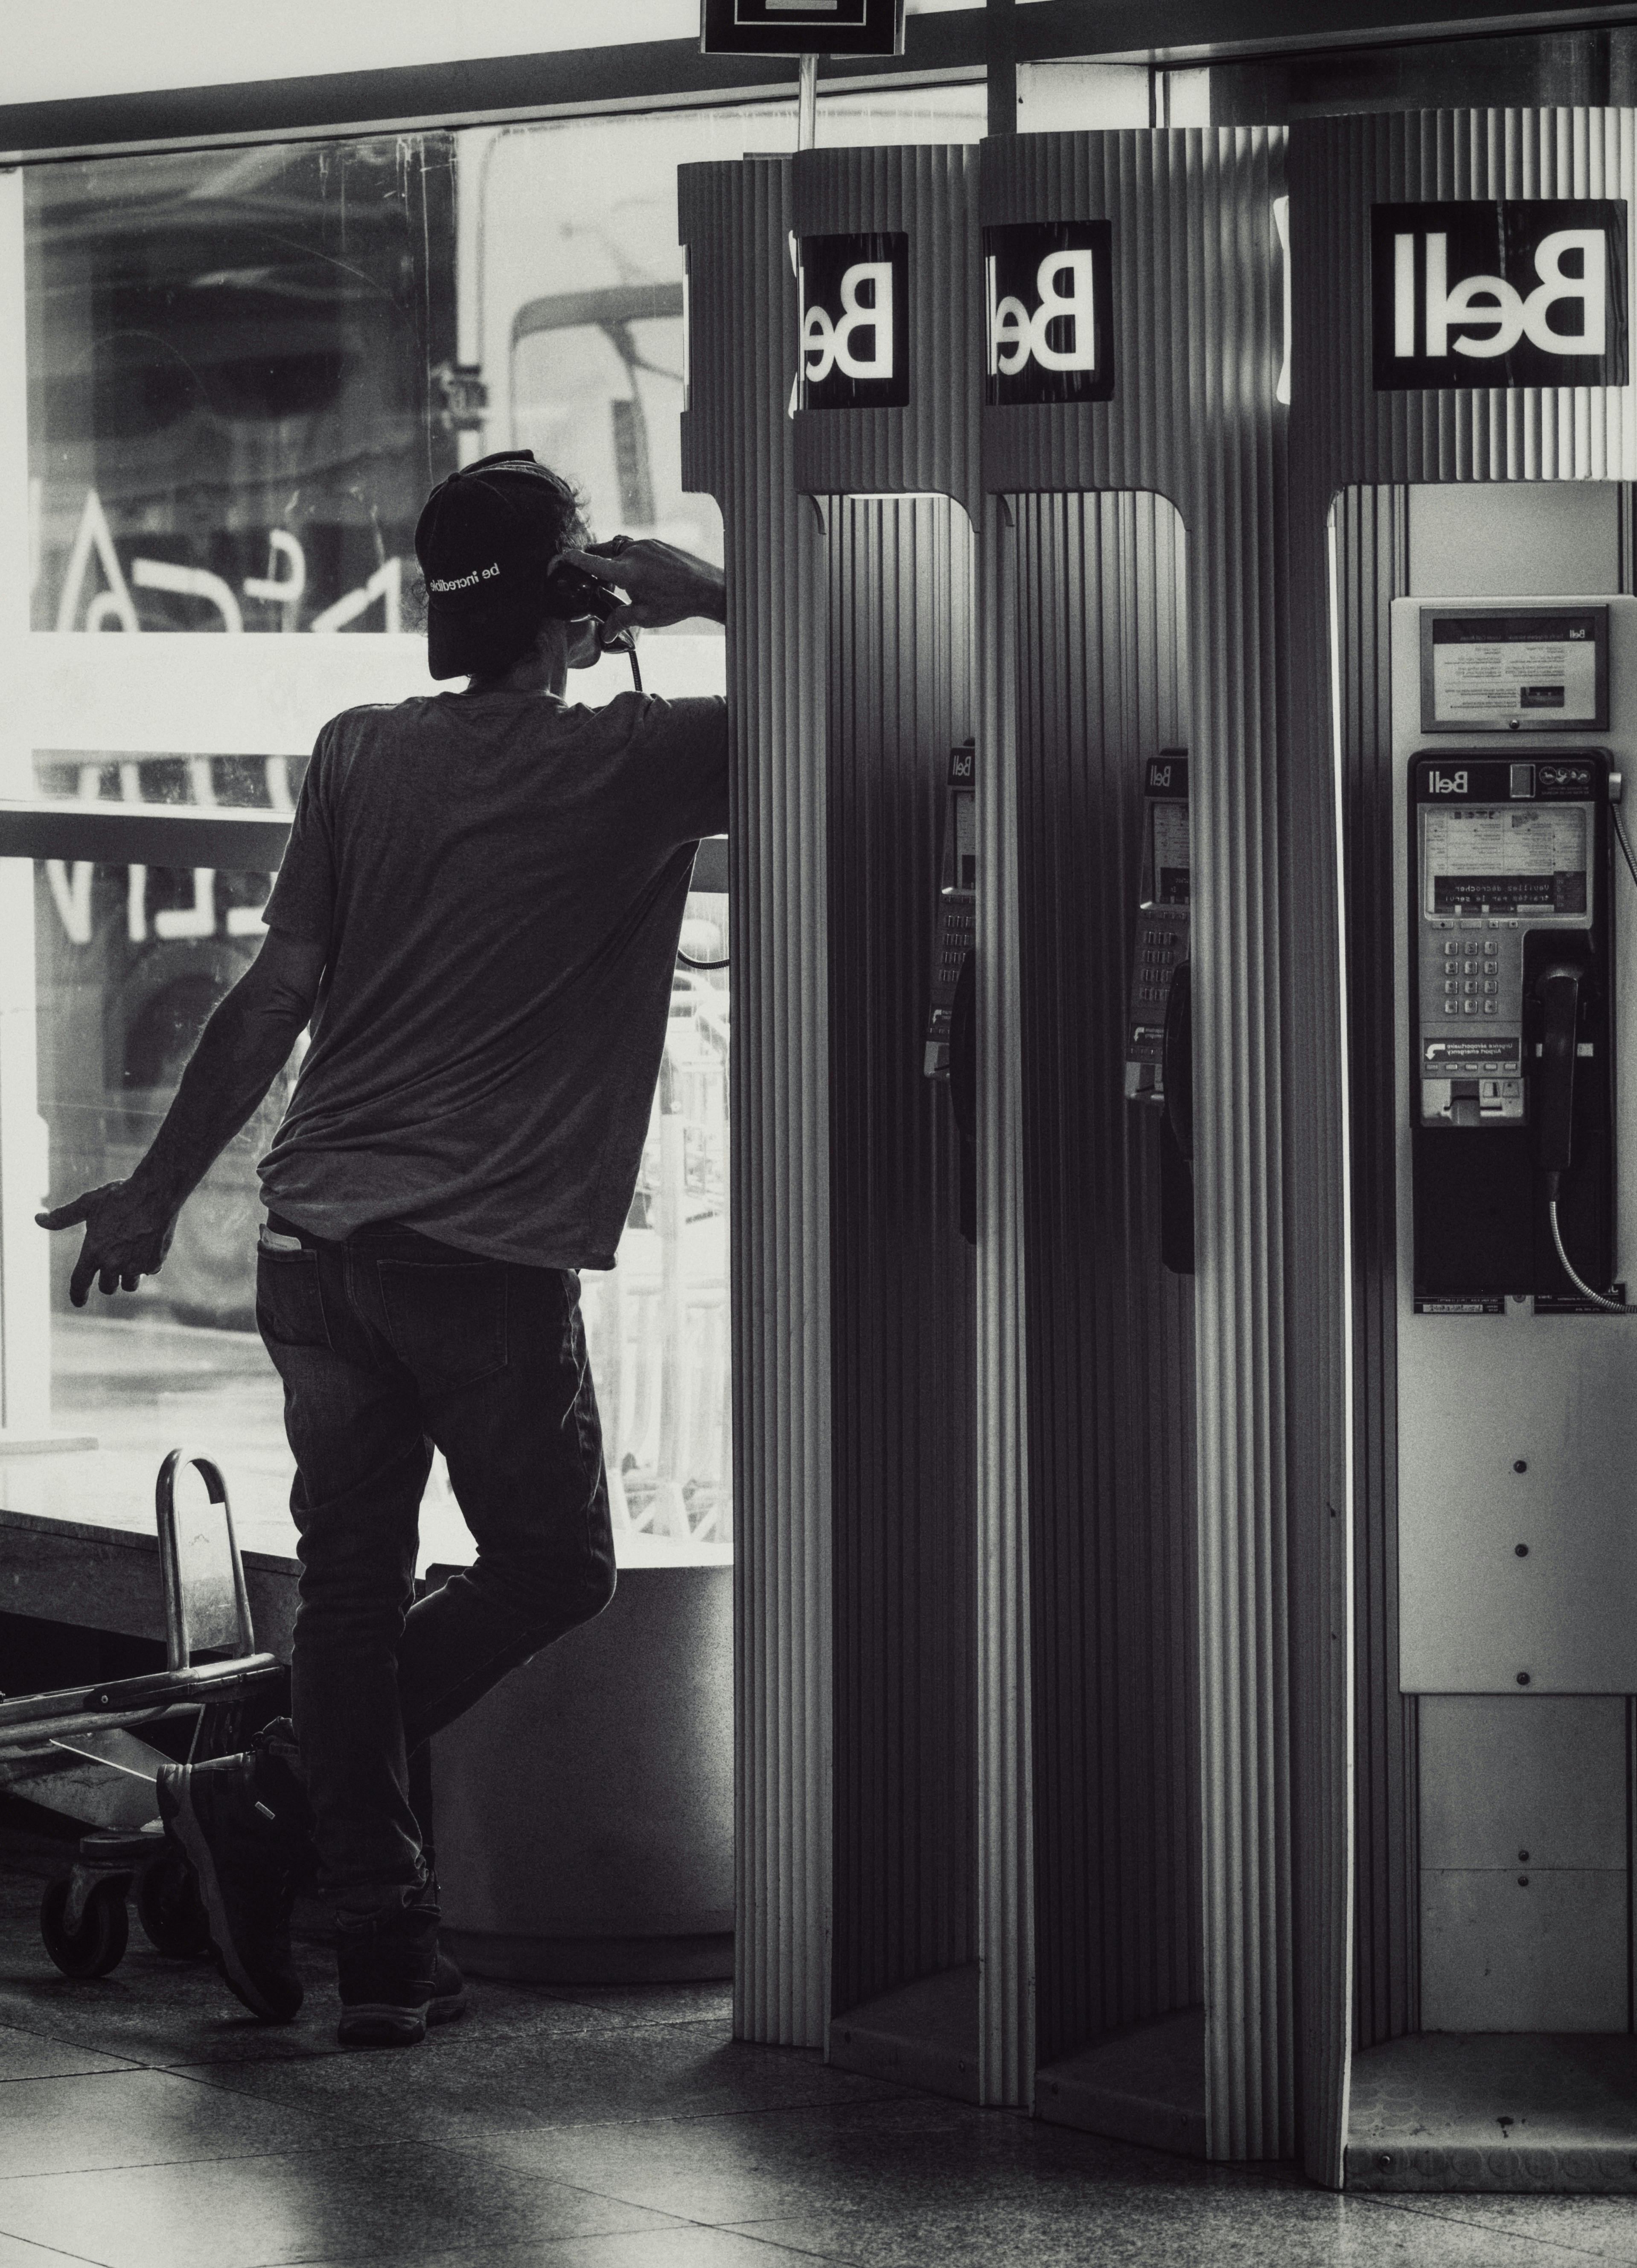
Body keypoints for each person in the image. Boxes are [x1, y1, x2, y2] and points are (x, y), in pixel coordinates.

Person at [37, 451, 728, 2047]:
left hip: (312, 1242)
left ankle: (386, 1940)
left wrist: (151, 1193)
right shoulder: (639, 761)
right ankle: (275, 1792)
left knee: (347, 1588)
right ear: (579, 601)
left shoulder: (360, 752)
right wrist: (699, 592)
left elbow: (271, 994)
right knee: (552, 1564)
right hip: (471, 1264)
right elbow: (862, 694)